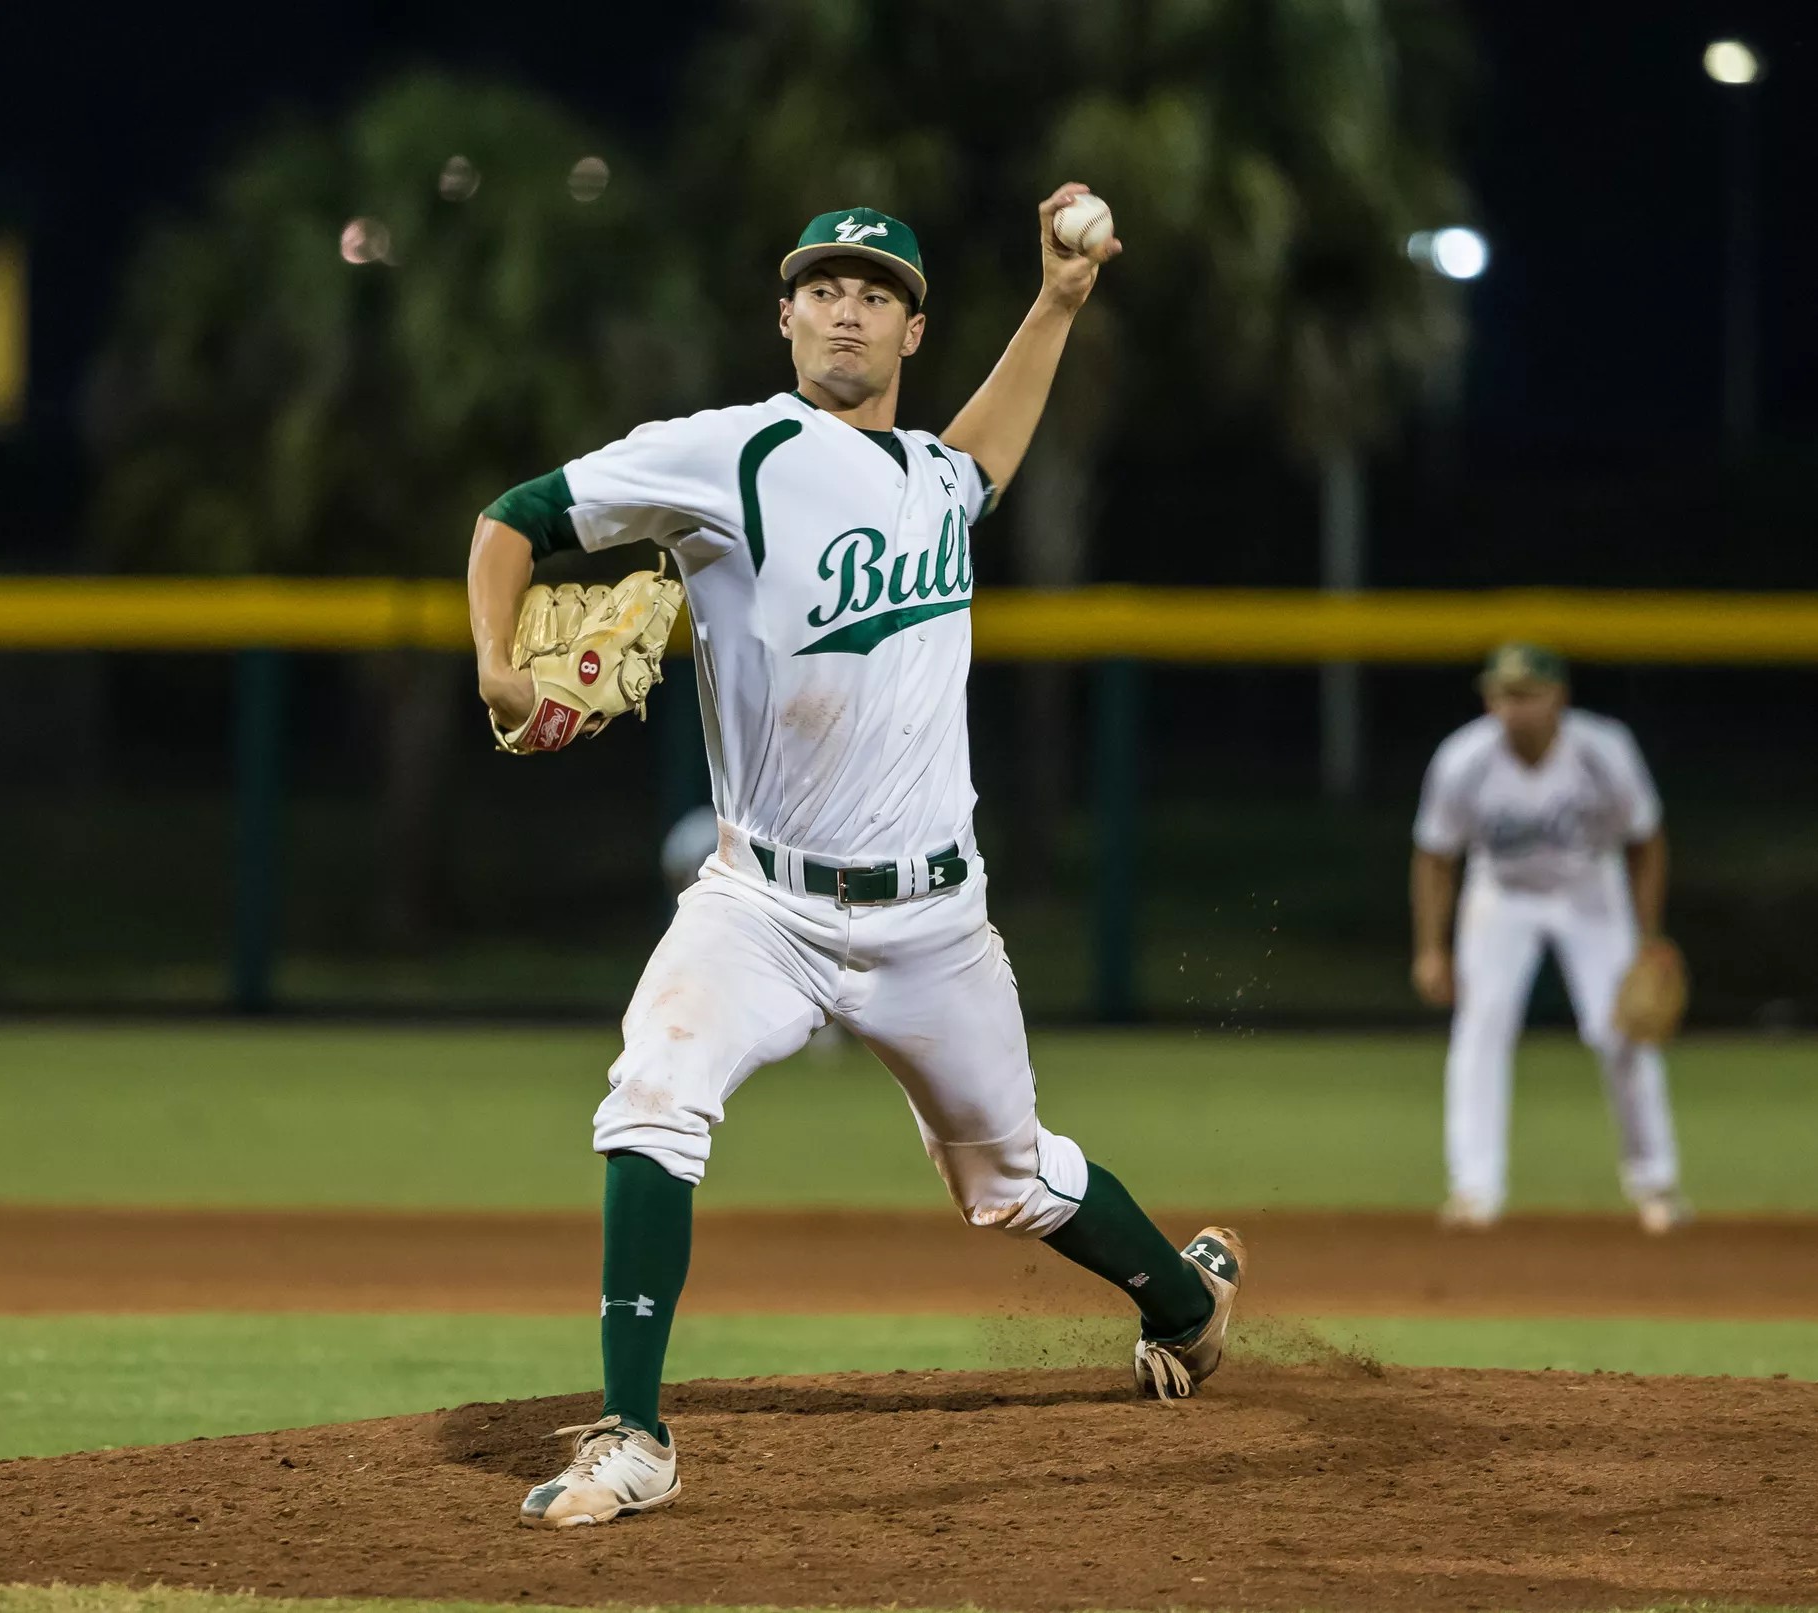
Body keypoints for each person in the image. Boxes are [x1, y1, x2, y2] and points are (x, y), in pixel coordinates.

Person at [467, 190, 1246, 1532]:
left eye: (875, 291)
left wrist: (1060, 301)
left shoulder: (937, 482)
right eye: (822, 286)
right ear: (783, 317)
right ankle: (634, 1434)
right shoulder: (727, 452)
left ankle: (1188, 1304)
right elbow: (516, 515)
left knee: (1009, 1180)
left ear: (912, 330)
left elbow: (982, 456)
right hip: (759, 902)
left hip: (937, 920)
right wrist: (494, 660)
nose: (846, 304)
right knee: (654, 1086)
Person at [1411, 642, 1687, 1235]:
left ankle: (1655, 1183)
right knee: (1481, 1026)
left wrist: (1649, 937)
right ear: (1489, 699)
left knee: (1621, 1031)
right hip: (1501, 894)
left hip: (1591, 891)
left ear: (1559, 697)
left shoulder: (1602, 750)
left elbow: (1645, 841)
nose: (1517, 708)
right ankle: (1474, 1190)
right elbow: (1435, 857)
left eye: (1529, 695)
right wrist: (1432, 949)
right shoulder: (1464, 758)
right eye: (1505, 695)